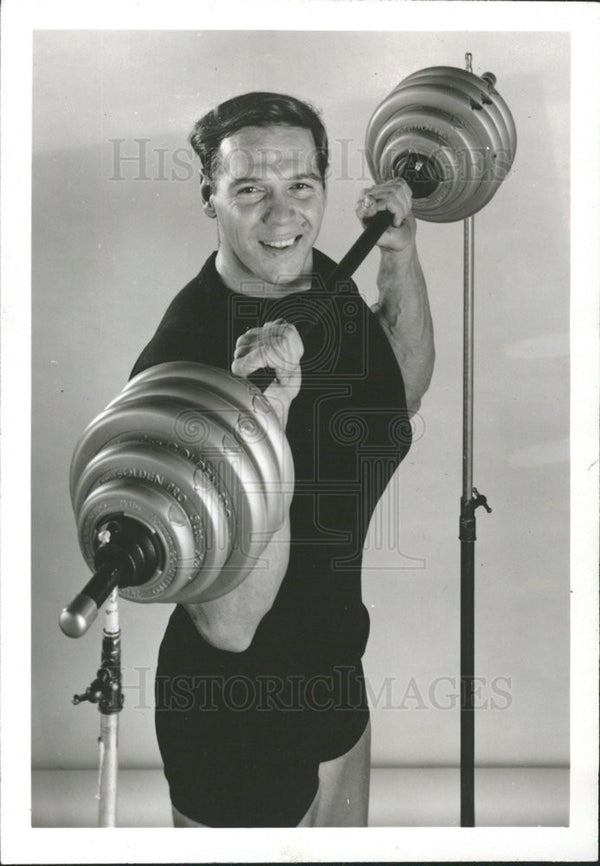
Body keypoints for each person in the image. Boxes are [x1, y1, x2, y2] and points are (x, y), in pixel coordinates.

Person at [131, 92, 435, 827]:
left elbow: (402, 391)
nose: (282, 216)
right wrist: (265, 418)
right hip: (235, 714)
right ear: (209, 196)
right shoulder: (181, 368)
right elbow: (229, 626)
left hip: (336, 677)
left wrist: (399, 258)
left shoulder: (323, 279)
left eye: (301, 185)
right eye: (249, 190)